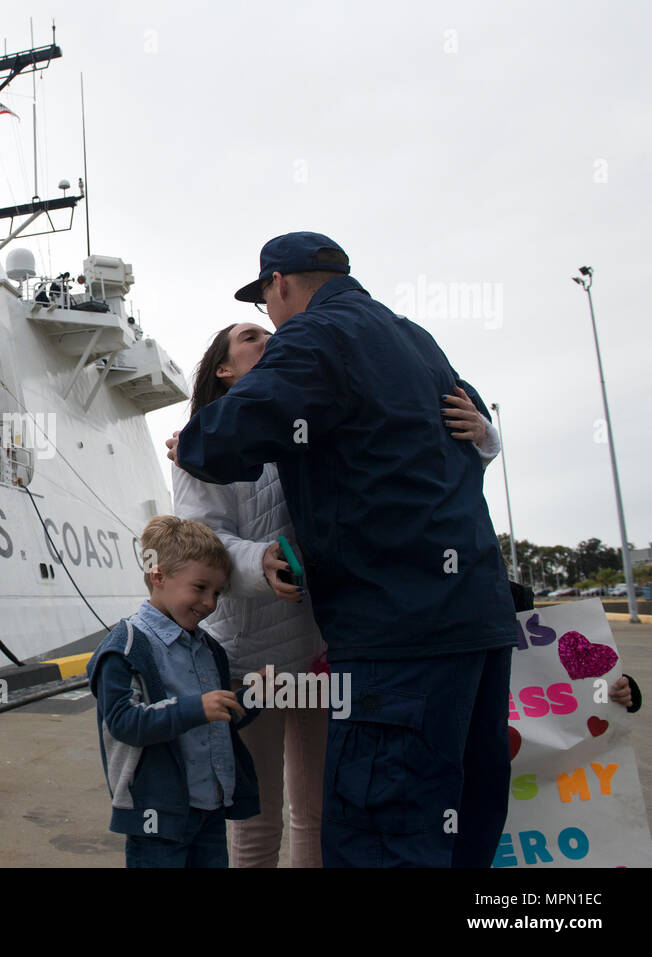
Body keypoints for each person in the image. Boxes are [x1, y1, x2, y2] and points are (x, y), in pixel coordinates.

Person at [168, 231, 518, 868]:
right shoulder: (414, 338)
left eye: (266, 309)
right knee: (463, 818)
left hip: (396, 634)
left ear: (280, 284)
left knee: (382, 830)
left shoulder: (316, 335)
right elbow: (464, 439)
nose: (270, 326)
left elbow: (218, 440)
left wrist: (192, 439)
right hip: (477, 622)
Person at [86, 515, 261, 867]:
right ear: (159, 576)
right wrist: (197, 708)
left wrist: (258, 696)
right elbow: (123, 722)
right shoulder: (125, 646)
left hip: (209, 809)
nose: (210, 603)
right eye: (200, 588)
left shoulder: (210, 650)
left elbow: (217, 720)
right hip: (156, 817)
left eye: (217, 592)